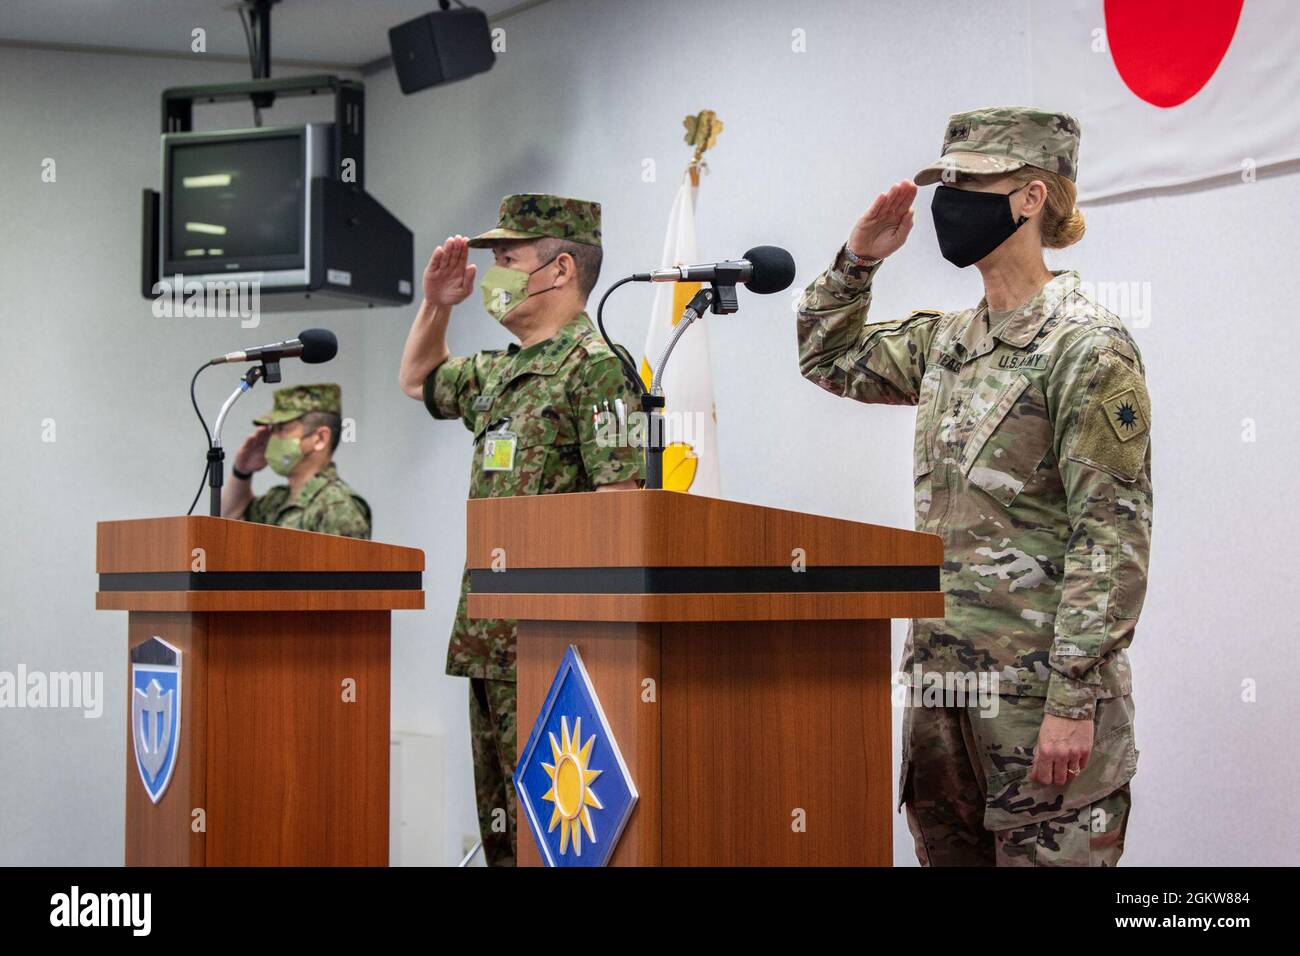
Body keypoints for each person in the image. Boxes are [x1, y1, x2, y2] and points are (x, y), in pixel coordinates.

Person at [797, 107, 1152, 866]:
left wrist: (1073, 700)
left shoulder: (1086, 346)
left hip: (1038, 710)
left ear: (1028, 197)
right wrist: (858, 260)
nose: (946, 202)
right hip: (943, 700)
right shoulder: (947, 341)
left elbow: (1111, 537)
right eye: (945, 182)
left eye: (966, 183)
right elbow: (827, 359)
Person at [398, 193, 644, 866]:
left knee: (555, 838)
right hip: (489, 641)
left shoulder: (596, 367)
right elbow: (418, 379)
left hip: (553, 651)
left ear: (559, 269)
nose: (496, 275)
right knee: (504, 838)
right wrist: (438, 303)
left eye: (508, 260)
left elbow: (621, 507)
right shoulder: (502, 372)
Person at [222, 383, 372, 539]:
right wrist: (242, 471)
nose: (271, 438)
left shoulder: (337, 508)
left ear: (320, 438)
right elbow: (230, 519)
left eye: (282, 429)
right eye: (273, 430)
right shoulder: (278, 500)